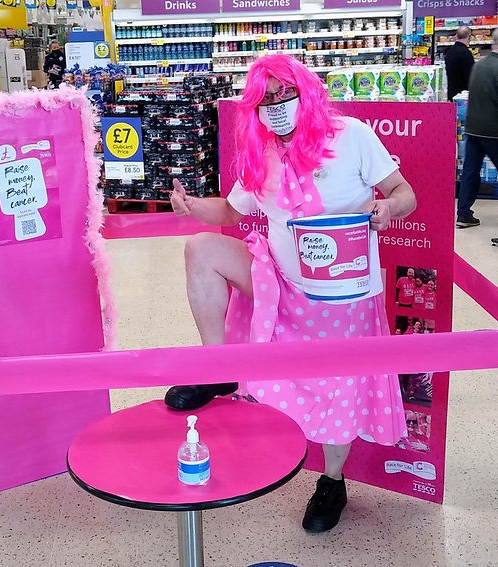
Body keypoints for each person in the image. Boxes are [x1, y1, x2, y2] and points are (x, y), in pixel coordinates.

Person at [163, 54, 416, 533]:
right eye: (265, 98)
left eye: (284, 93)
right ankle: (218, 370)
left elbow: (404, 191)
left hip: (345, 297)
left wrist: (388, 210)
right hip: (281, 283)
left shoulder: (352, 137)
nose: (276, 105)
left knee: (339, 384)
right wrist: (191, 206)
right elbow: (233, 213)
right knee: (201, 249)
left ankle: (332, 481)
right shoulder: (262, 153)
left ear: (306, 91)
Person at [457, 27, 498, 228]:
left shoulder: (478, 66)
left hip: (473, 128)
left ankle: (463, 213)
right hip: (495, 131)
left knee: (470, 171)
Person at [444, 26, 475, 101]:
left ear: (456, 36)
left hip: (452, 94)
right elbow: (470, 77)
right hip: (463, 97)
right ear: (469, 37)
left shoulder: (450, 52)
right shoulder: (466, 53)